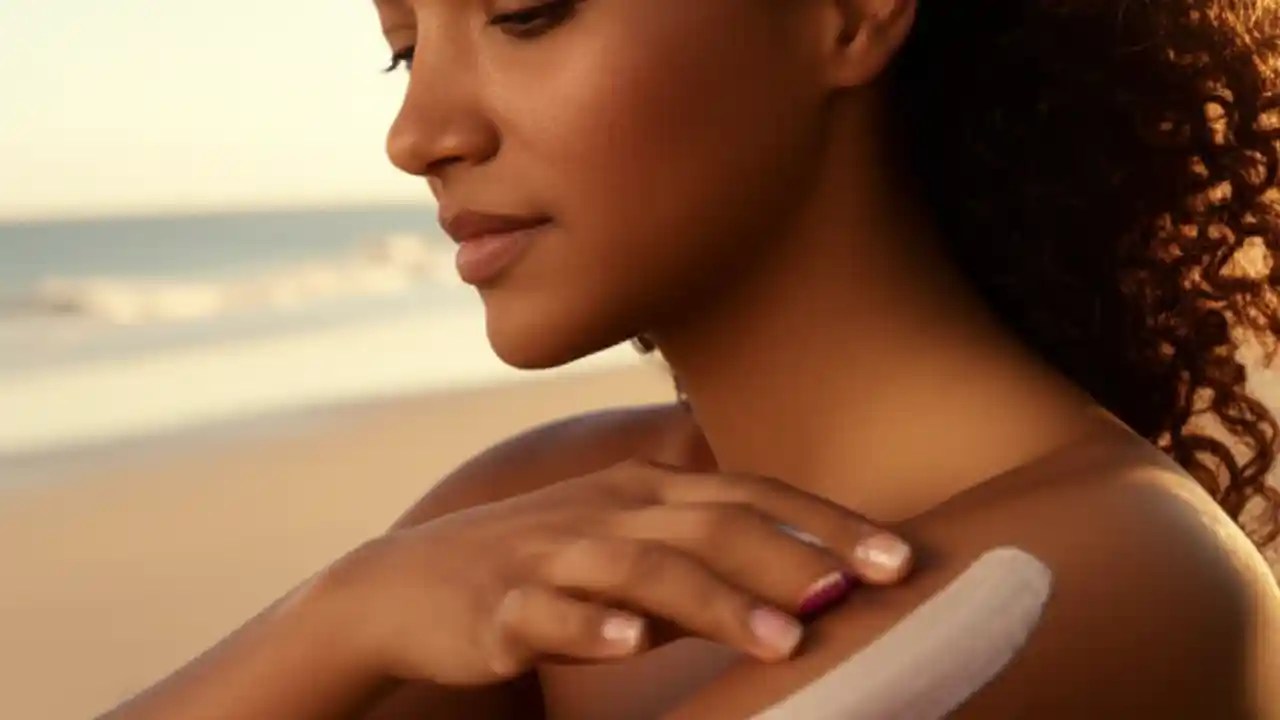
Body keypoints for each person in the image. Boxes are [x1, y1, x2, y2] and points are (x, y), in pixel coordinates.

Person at [104, 0, 1280, 717]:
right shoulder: (539, 511)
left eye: (527, 11)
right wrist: (339, 616)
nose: (418, 134)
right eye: (403, 47)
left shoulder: (1111, 580)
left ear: (849, 11)